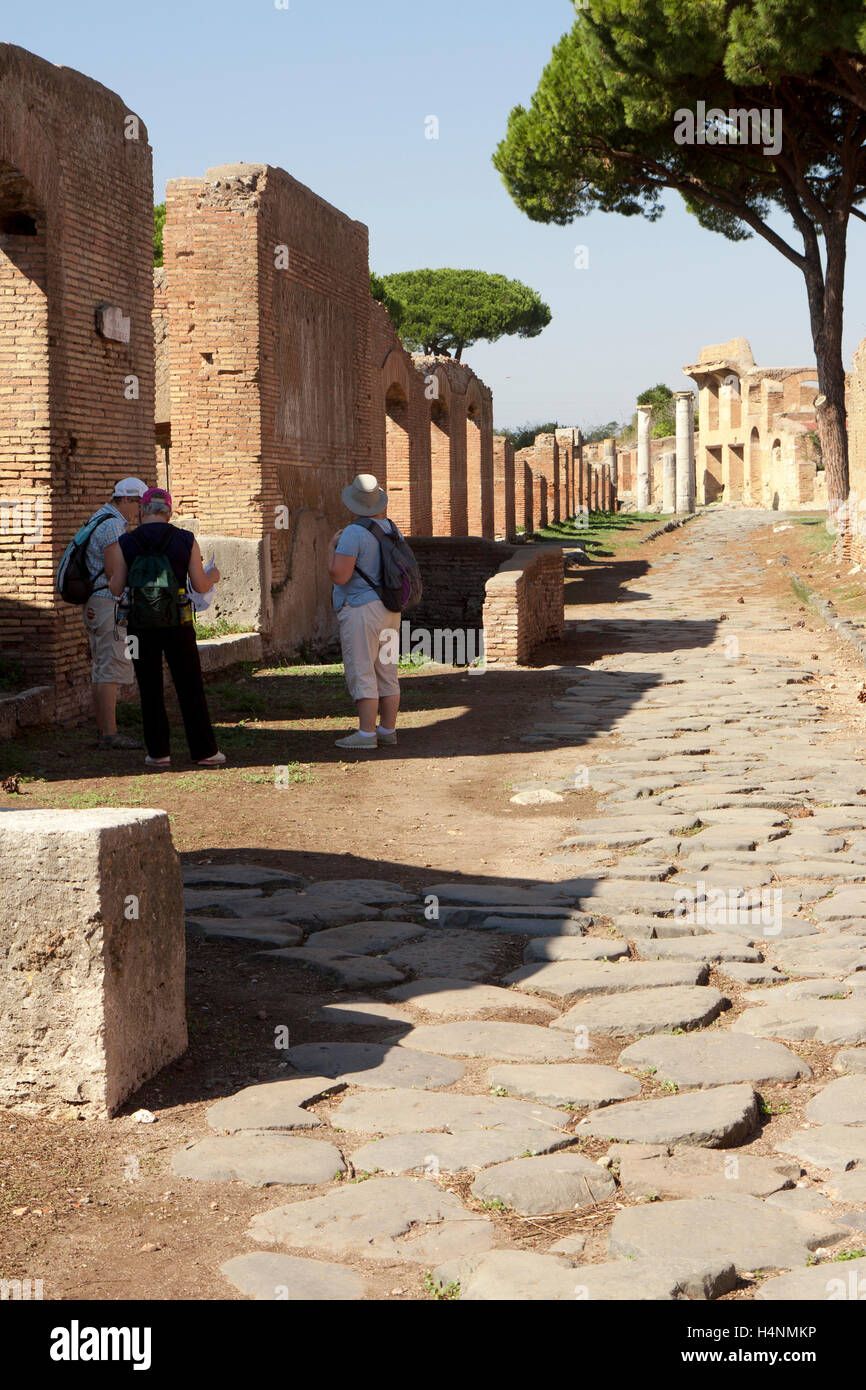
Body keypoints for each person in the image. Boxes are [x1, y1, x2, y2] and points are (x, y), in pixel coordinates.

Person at [105, 488, 225, 768]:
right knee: (190, 685)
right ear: (169, 512)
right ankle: (205, 751)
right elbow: (200, 584)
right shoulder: (185, 539)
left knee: (149, 686)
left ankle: (158, 753)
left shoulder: (127, 541)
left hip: (139, 626)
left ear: (143, 511)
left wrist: (111, 572)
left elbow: (116, 587)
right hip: (179, 623)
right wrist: (213, 575)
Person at [328, 473, 400, 750]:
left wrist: (329, 549)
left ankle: (366, 734)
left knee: (362, 670)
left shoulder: (353, 533)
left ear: (353, 504)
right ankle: (387, 730)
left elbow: (339, 575)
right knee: (387, 671)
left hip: (362, 610)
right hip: (391, 609)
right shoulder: (392, 528)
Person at [83, 477, 148, 750]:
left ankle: (104, 730)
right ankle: (109, 733)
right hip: (107, 602)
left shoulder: (100, 517)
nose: (139, 512)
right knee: (108, 668)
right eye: (138, 505)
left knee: (101, 667)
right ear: (126, 500)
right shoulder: (112, 525)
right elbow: (113, 575)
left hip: (95, 603)